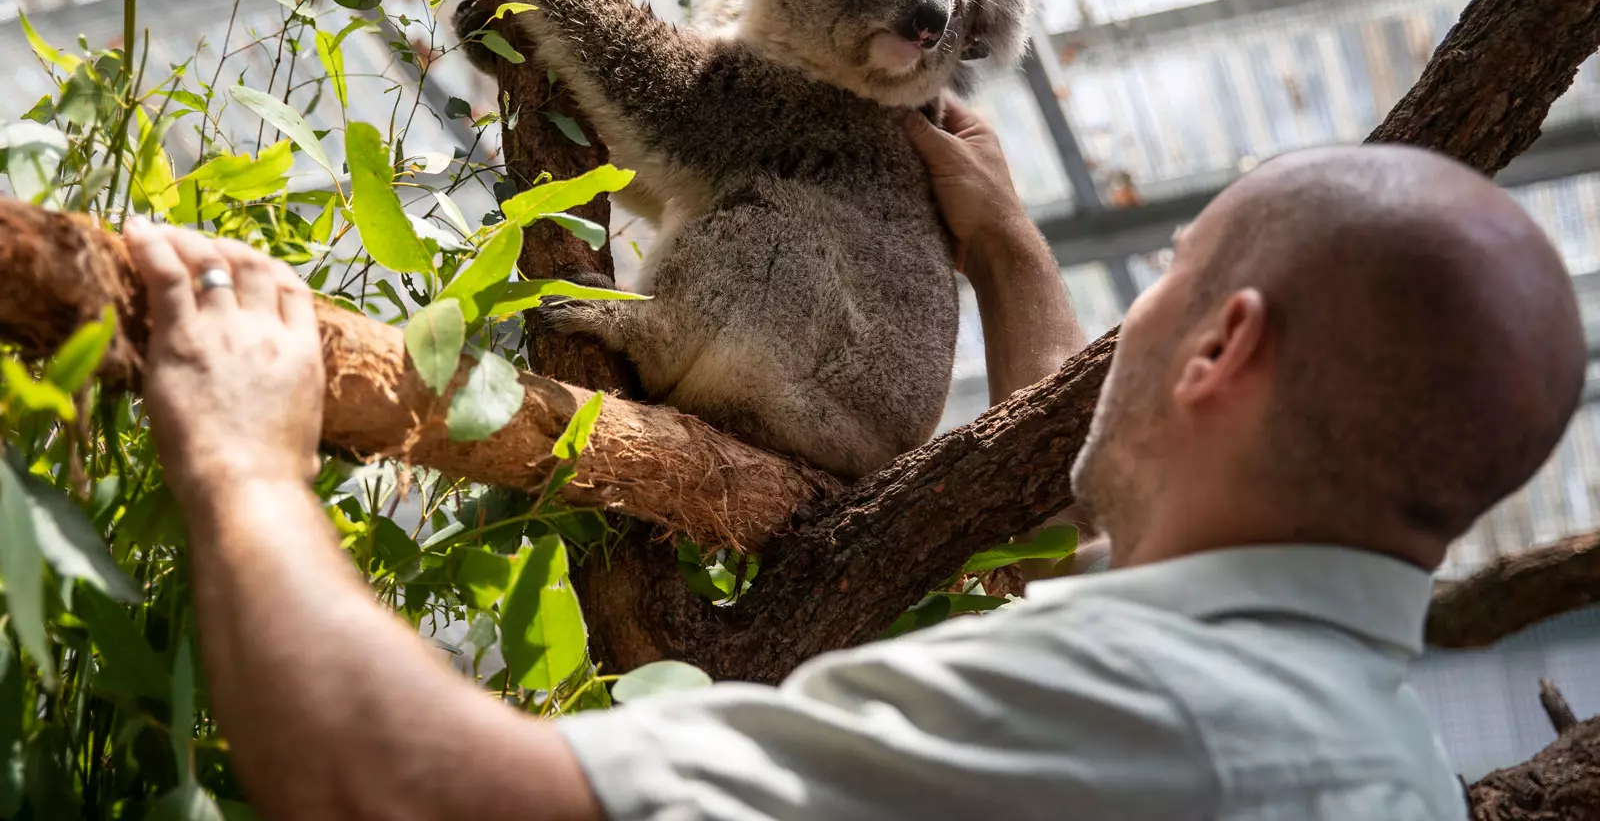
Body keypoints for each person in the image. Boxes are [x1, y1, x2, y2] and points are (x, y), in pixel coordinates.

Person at [121, 96, 1585, 821]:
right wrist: (1008, 255)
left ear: (1220, 353)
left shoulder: (1133, 715)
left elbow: (402, 789)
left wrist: (246, 452)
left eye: (1171, 277)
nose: (1132, 321)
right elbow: (1078, 536)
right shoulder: (1373, 750)